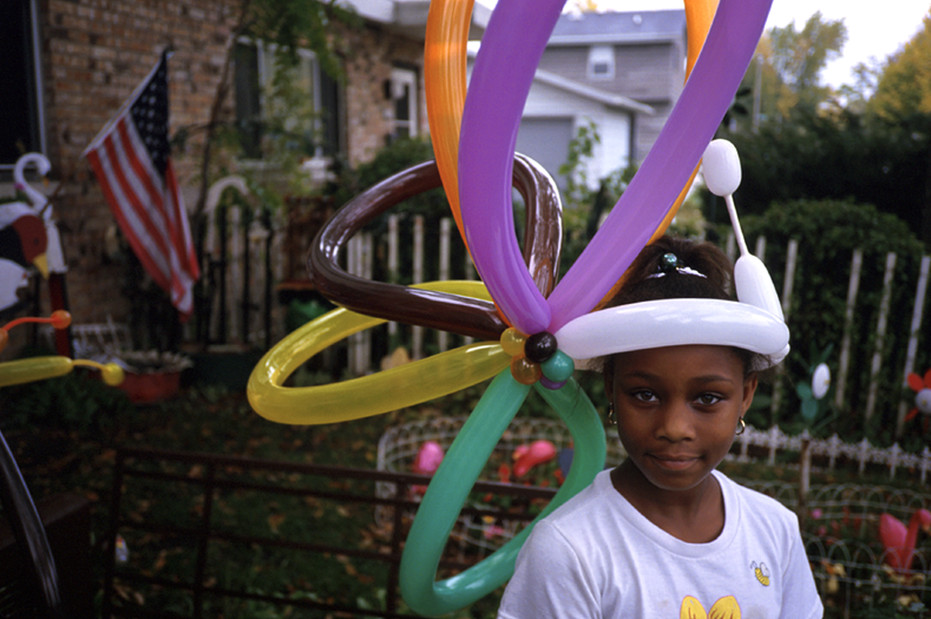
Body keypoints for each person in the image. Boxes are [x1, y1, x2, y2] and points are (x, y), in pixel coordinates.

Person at [497, 236, 823, 618]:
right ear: (612, 390)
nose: (674, 428)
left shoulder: (775, 530)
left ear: (746, 394)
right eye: (645, 395)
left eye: (707, 398)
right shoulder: (570, 550)